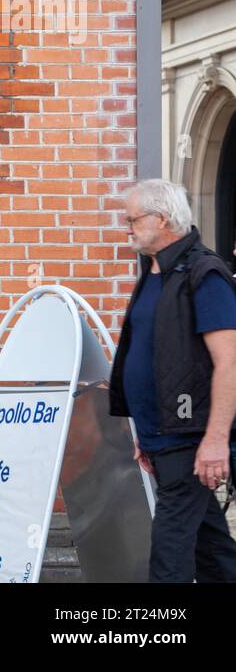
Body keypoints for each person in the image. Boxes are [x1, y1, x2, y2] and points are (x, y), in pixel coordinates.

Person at [107, 180, 236, 582]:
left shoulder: (205, 273)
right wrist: (144, 431)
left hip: (190, 438)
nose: (127, 227)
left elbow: (229, 362)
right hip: (163, 436)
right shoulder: (156, 272)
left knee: (170, 556)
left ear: (162, 219)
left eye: (132, 219)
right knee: (211, 549)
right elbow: (152, 357)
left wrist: (215, 441)